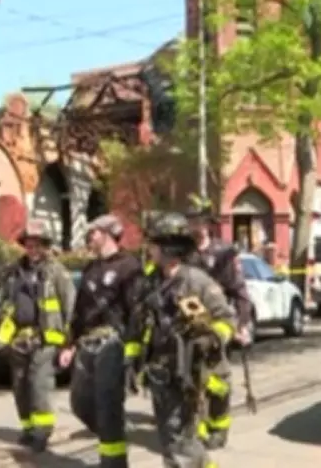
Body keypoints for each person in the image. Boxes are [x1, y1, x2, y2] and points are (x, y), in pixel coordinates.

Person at [127, 212, 236, 468]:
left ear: (168, 247)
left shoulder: (196, 281)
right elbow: (138, 326)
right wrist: (131, 361)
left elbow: (226, 321)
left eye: (153, 243)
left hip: (188, 375)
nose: (149, 249)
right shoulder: (150, 283)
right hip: (160, 375)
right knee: (173, 440)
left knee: (180, 442)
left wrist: (208, 339)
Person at [0, 220, 76, 452]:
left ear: (45, 246)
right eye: (29, 245)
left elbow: (72, 309)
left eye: (38, 245)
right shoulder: (14, 273)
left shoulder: (57, 273)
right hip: (18, 340)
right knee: (20, 387)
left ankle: (42, 433)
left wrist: (68, 345)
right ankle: (28, 428)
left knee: (38, 386)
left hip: (45, 341)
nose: (33, 250)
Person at [61, 214, 142, 468]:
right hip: (87, 344)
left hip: (113, 345)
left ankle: (114, 461)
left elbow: (137, 312)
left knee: (107, 405)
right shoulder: (91, 268)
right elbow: (79, 310)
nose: (89, 238)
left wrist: (132, 351)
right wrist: (69, 344)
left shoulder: (130, 266)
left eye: (93, 233)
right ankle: (115, 430)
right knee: (79, 403)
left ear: (108, 234)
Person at [184, 194, 253, 450]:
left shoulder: (224, 253)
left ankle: (219, 427)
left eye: (198, 220)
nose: (194, 226)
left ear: (208, 223)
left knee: (217, 383)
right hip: (191, 326)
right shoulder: (184, 254)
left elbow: (240, 293)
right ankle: (198, 431)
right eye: (190, 220)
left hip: (219, 325)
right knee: (192, 380)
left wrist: (241, 325)